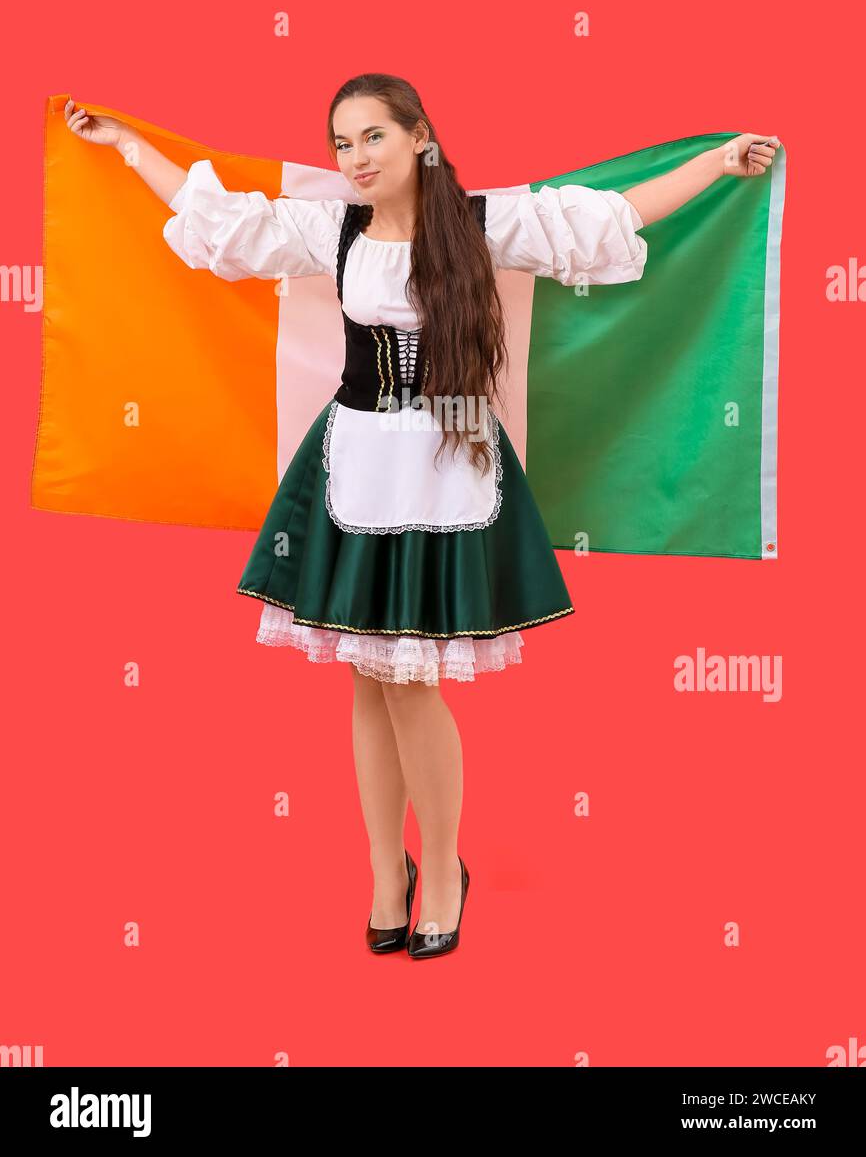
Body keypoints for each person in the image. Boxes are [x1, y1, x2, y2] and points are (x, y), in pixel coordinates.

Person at [64, 76, 779, 958]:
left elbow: (608, 219)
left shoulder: (482, 224)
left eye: (372, 138)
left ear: (419, 137)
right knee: (369, 673)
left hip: (450, 465)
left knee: (411, 679)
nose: (356, 159)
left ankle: (441, 869)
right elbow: (227, 226)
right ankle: (383, 872)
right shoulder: (334, 229)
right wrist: (131, 150)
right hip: (356, 461)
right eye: (341, 144)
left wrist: (714, 163)